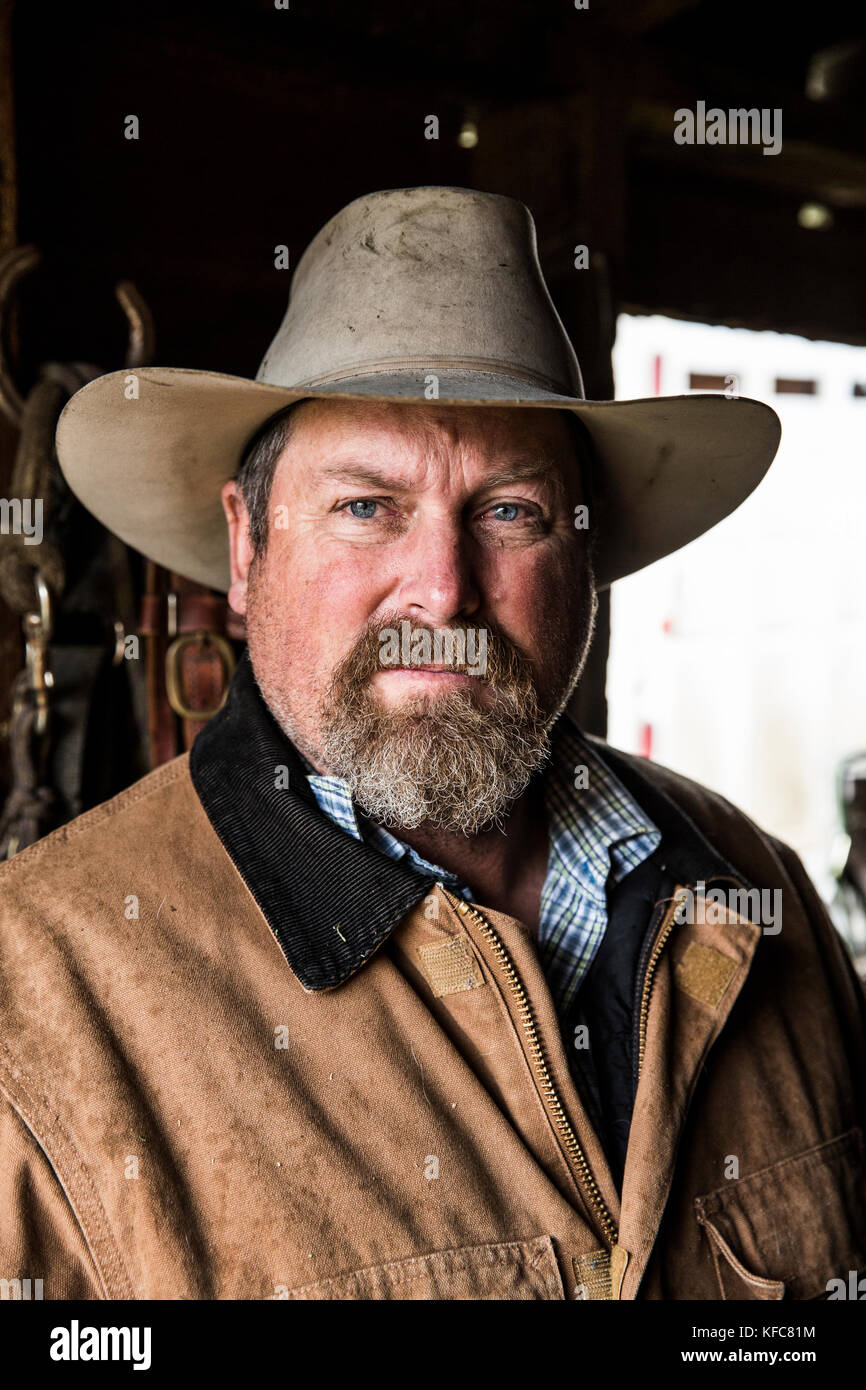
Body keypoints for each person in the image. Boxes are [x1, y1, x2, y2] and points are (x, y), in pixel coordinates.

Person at [1, 186, 864, 1301]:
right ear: (246, 544)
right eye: (366, 506)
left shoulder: (760, 893)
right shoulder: (33, 995)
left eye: (510, 511)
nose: (444, 590)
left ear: (586, 562)